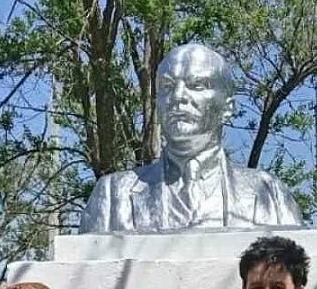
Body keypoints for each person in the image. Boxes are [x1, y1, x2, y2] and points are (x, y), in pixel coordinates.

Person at [79, 43, 303, 233]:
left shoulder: (270, 194)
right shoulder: (112, 196)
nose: (178, 97)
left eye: (197, 85)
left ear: (227, 108)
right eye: (167, 87)